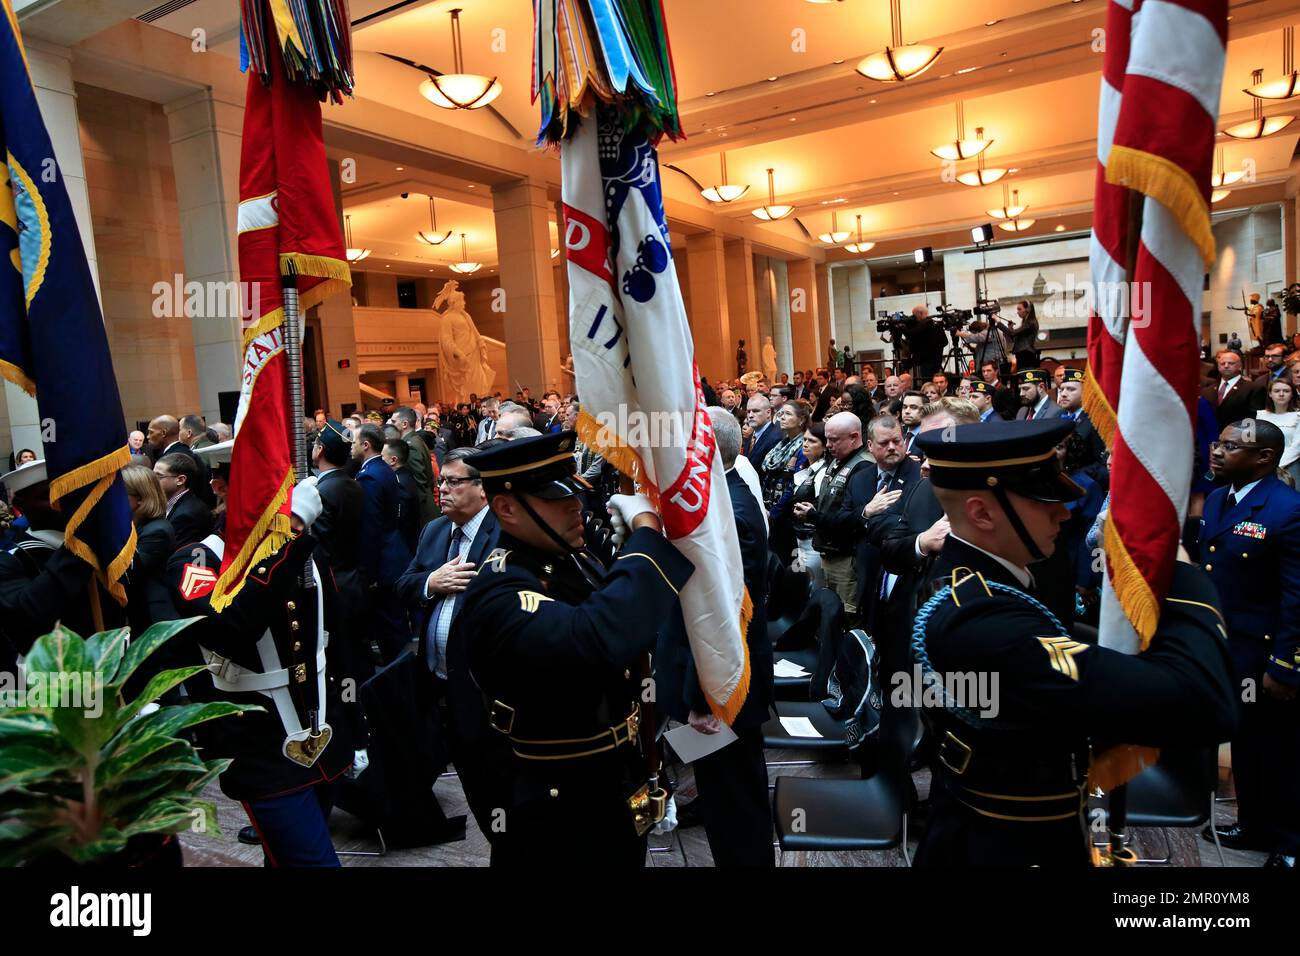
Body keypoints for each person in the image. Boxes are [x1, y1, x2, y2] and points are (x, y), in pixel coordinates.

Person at [911, 419, 1237, 867]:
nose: (1064, 513)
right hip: (1010, 847)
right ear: (982, 513)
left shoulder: (987, 583)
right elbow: (1201, 701)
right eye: (1044, 501)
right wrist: (1177, 572)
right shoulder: (982, 621)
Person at [450, 432, 694, 866]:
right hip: (556, 803)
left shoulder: (570, 556)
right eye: (555, 498)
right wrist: (646, 535)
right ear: (506, 508)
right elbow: (596, 637)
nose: (574, 507)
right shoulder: (500, 588)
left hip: (613, 776)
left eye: (573, 494)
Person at [166, 478, 352, 867]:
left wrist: (354, 719)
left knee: (284, 858)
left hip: (322, 728)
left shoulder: (300, 550)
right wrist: (291, 536)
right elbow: (232, 626)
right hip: (258, 744)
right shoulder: (196, 559)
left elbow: (337, 634)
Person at [656, 407, 774, 867]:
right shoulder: (719, 498)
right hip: (715, 681)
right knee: (724, 797)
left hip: (724, 686)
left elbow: (720, 616)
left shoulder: (732, 513)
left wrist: (704, 701)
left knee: (736, 803)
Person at [1198, 419, 1300, 868]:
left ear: (1264, 458)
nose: (1218, 452)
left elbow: (1296, 597)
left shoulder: (1286, 509)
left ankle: (1291, 842)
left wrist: (1285, 665)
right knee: (1246, 741)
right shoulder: (1221, 498)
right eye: (1218, 444)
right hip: (1231, 647)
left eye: (1232, 447)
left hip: (1265, 652)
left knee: (1280, 750)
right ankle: (1253, 823)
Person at [394, 447, 502, 836]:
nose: (442, 489)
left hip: (485, 691)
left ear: (482, 489)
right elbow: (403, 584)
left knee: (498, 794)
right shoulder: (435, 530)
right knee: (471, 784)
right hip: (438, 685)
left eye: (454, 482)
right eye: (441, 481)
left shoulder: (503, 532)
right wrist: (430, 582)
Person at [0, 460, 121, 674]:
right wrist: (77, 548)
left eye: (67, 493)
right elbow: (27, 617)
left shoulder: (104, 541)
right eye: (48, 496)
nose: (61, 503)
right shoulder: (13, 557)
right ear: (19, 505)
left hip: (119, 668)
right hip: (62, 684)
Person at [791, 412, 873, 623]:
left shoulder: (863, 467)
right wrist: (815, 507)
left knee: (845, 618)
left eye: (834, 440)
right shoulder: (838, 461)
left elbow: (854, 519)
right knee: (828, 614)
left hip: (847, 559)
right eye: (827, 439)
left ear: (854, 437)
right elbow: (831, 501)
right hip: (829, 553)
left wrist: (813, 516)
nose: (828, 445)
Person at [120, 464, 178, 640]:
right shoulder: (136, 525)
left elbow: (129, 573)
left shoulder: (157, 530)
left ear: (140, 499)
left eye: (119, 496)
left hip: (153, 619)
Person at [761, 401, 809, 562]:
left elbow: (794, 485)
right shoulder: (782, 443)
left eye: (788, 414)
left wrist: (774, 512)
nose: (782, 417)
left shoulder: (804, 446)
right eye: (781, 413)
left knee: (785, 560)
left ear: (801, 420)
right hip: (770, 507)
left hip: (786, 514)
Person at [791, 422, 829, 587]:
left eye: (812, 441)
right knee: (800, 585)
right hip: (799, 538)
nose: (805, 444)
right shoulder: (806, 469)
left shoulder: (824, 473)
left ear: (825, 446)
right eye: (805, 439)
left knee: (811, 587)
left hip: (813, 541)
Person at [389, 407, 438, 526]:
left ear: (404, 424)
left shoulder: (410, 445)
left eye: (394, 422)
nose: (392, 425)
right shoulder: (415, 440)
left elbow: (419, 482)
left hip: (422, 512)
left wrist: (411, 512)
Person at [154, 452, 212, 547]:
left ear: (180, 480)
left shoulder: (187, 515)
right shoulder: (172, 502)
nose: (152, 480)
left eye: (158, 476)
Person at [1255, 377, 1300, 485]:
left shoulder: (1298, 415)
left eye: (1286, 391)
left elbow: (1297, 446)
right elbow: (1257, 442)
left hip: (1290, 464)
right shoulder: (1260, 415)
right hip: (1263, 464)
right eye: (1276, 391)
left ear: (1292, 394)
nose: (1281, 394)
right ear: (1270, 394)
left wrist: (1277, 464)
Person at [382, 439, 423, 555]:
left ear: (393, 460)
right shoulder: (405, 474)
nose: (379, 461)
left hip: (402, 546)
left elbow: (400, 520)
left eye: (382, 457)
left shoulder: (398, 482)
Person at [1203, 349, 1255, 431]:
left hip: (1239, 438)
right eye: (1222, 363)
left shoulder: (1253, 388)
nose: (1226, 366)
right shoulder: (1207, 391)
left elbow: (1254, 419)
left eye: (1231, 363)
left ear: (1240, 366)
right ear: (1218, 367)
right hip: (1212, 439)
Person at [743, 392, 779, 463]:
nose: (750, 415)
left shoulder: (776, 438)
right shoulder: (750, 435)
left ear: (768, 413)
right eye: (748, 411)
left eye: (756, 411)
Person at [1008, 300, 1040, 371]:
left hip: (1026, 355)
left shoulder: (1030, 323)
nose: (1017, 312)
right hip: (1024, 354)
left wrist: (998, 322)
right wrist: (1010, 327)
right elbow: (1015, 336)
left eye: (1019, 309)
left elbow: (1012, 334)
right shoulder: (1028, 322)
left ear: (1027, 310)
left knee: (1026, 376)